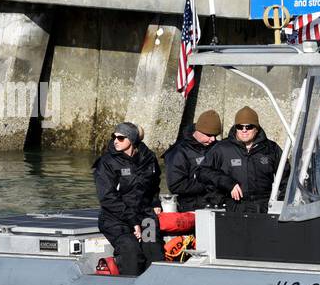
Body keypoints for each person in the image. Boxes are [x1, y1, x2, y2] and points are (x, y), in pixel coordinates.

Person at [93, 121, 163, 276]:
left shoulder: (148, 158)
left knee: (153, 250)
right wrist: (133, 222)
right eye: (114, 137)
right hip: (117, 220)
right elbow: (108, 198)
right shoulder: (107, 163)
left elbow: (154, 182)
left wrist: (155, 201)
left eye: (121, 138)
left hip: (145, 217)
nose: (115, 141)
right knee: (130, 249)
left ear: (131, 140)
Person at [205, 106, 285, 214]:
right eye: (240, 127)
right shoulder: (222, 148)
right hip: (233, 208)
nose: (244, 130)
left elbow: (287, 177)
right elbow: (203, 172)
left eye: (249, 127)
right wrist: (227, 183)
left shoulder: (271, 148)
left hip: (264, 209)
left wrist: (281, 203)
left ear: (256, 128)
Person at [164, 109, 225, 211]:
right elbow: (176, 185)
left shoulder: (217, 147)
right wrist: (208, 185)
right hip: (192, 207)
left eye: (215, 135)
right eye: (209, 135)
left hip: (218, 204)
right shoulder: (178, 152)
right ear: (198, 131)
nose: (213, 139)